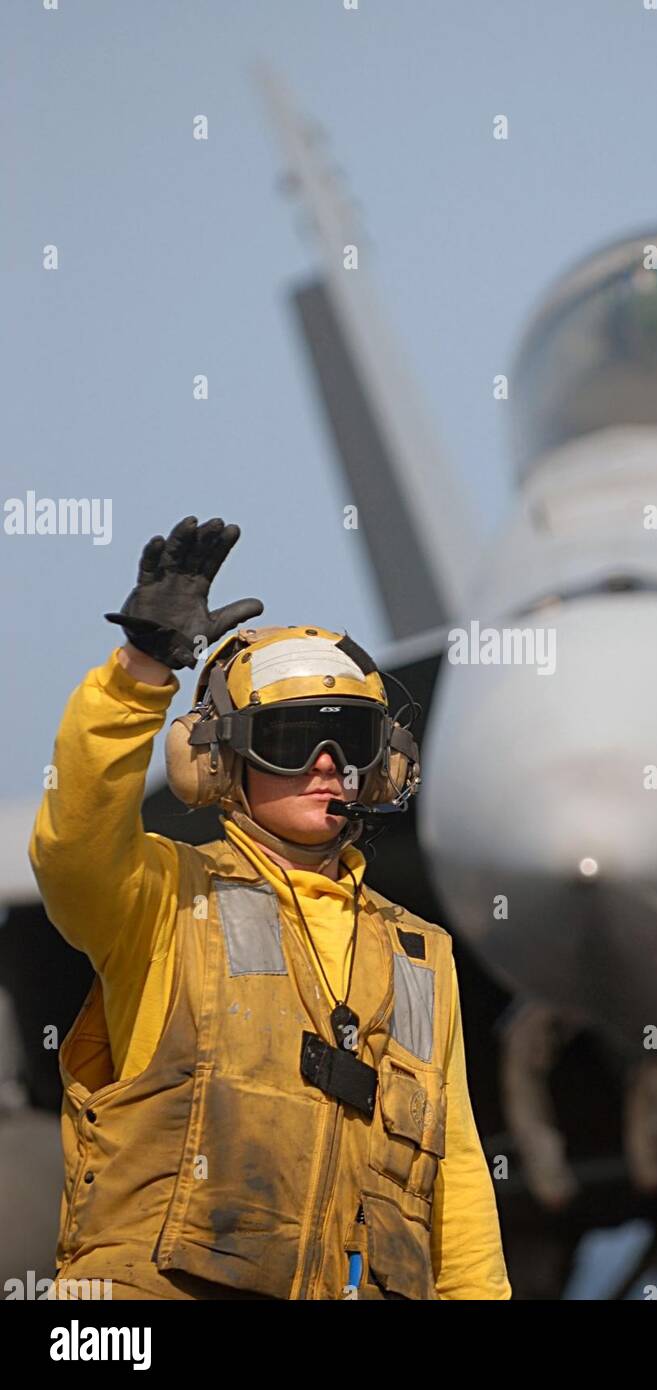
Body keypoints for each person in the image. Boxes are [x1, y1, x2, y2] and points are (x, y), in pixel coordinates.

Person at [28, 515, 511, 1301]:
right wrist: (140, 673)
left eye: (351, 740)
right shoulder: (165, 899)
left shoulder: (419, 955)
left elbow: (455, 1181)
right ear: (217, 759)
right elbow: (72, 847)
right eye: (289, 738)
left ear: (384, 765)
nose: (327, 766)